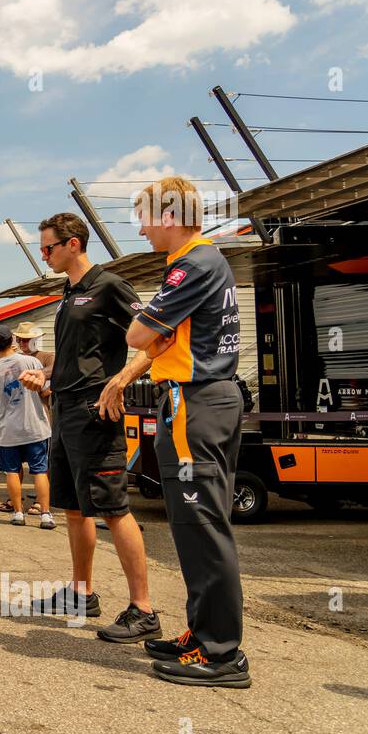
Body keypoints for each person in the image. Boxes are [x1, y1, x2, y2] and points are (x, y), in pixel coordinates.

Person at [124, 176, 250, 688]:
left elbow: (138, 334)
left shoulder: (193, 263)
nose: (142, 228)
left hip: (195, 401)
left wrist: (151, 331)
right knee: (195, 524)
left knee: (201, 525)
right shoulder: (202, 262)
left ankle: (221, 652)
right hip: (202, 400)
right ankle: (203, 634)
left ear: (170, 217)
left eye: (146, 217)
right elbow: (153, 337)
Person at [19, 213, 158, 642]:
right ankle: (82, 594)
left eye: (48, 248)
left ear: (74, 244)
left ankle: (144, 609)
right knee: (74, 507)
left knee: (114, 509)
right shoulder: (69, 292)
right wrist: (46, 377)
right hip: (64, 409)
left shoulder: (110, 285)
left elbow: (158, 340)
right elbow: (74, 353)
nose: (43, 255)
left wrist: (120, 380)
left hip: (96, 412)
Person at [0, 325, 54, 529]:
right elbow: (45, 390)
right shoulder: (31, 361)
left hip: (8, 429)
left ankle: (18, 513)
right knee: (39, 470)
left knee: (12, 471)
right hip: (35, 425)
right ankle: (45, 514)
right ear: (13, 339)